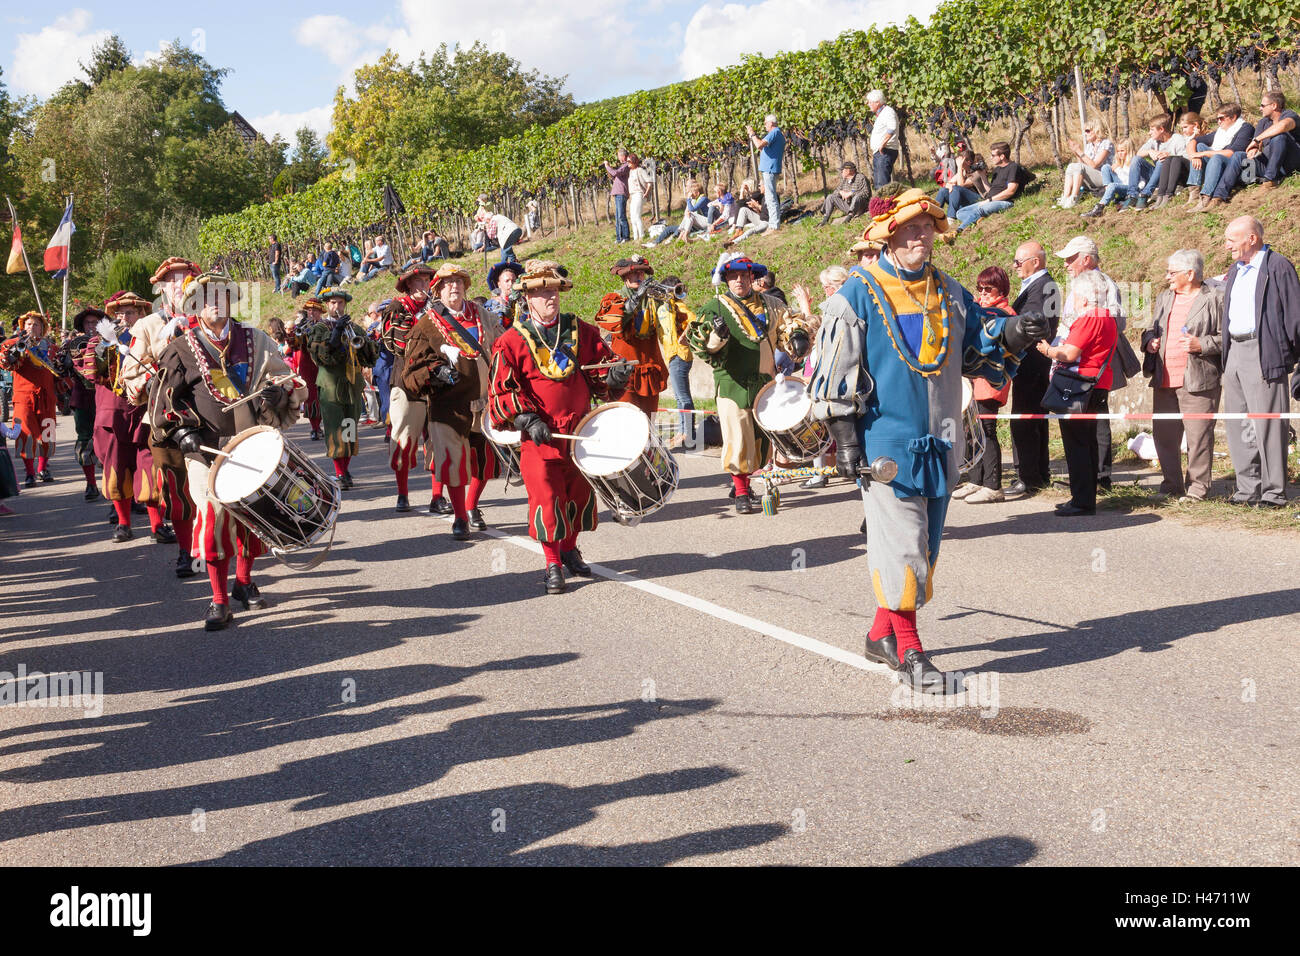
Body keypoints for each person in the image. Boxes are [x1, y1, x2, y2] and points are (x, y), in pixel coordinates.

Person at [808, 188, 1049, 691]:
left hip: (942, 439)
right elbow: (834, 371)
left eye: (927, 228)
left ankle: (880, 634)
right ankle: (911, 650)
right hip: (885, 444)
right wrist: (846, 439)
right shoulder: (854, 295)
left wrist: (1013, 334)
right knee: (901, 544)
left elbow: (978, 346)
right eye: (910, 229)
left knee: (925, 543)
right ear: (889, 236)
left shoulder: (951, 291)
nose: (921, 236)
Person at [151, 272, 306, 630]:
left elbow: (287, 380)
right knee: (213, 519)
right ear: (195, 305)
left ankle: (244, 581)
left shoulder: (257, 339)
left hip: (251, 443)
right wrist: (183, 431)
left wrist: (278, 394)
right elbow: (163, 402)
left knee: (252, 517)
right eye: (206, 297)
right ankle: (219, 600)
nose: (214, 302)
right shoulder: (180, 348)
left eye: (221, 295)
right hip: (205, 451)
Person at [487, 260, 631, 594]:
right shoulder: (510, 341)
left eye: (553, 290)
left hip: (581, 432)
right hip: (540, 435)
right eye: (541, 292)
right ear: (528, 298)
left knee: (578, 496)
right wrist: (526, 418)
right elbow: (501, 388)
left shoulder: (582, 330)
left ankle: (569, 548)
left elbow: (600, 378)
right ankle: (552, 563)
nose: (550, 297)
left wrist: (616, 377)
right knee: (547, 498)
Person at [688, 252, 811, 514]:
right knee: (738, 437)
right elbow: (701, 345)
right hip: (733, 385)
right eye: (733, 276)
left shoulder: (771, 304)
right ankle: (742, 493)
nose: (739, 281)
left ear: (753, 278)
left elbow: (787, 326)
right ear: (726, 279)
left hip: (765, 383)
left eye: (744, 276)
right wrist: (717, 336)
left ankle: (742, 483)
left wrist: (797, 336)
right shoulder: (714, 308)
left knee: (761, 441)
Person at [402, 263, 504, 537]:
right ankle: (460, 517)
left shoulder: (484, 316)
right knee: (453, 462)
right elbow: (410, 372)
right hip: (447, 407)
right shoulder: (427, 325)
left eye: (459, 281)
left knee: (485, 463)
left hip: (484, 402)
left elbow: (504, 347)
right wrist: (435, 372)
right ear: (437, 290)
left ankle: (472, 506)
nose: (454, 286)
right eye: (447, 283)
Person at [123, 256, 201, 578]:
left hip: (212, 419)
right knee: (180, 492)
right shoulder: (147, 325)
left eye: (184, 278)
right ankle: (186, 551)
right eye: (171, 280)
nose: (178, 285)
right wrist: (153, 376)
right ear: (161, 288)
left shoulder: (214, 318)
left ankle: (211, 546)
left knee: (213, 490)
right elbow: (129, 376)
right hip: (168, 419)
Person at [1219, 216, 1300, 507]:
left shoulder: (1278, 267)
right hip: (1235, 354)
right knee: (1237, 424)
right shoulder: (1235, 270)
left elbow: (1295, 316)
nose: (1226, 245)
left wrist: (1293, 358)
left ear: (1252, 238)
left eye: (1232, 239)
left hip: (1263, 352)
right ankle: (1246, 490)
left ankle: (1274, 492)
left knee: (1268, 426)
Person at [79, 292, 172, 543]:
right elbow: (90, 376)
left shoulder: (154, 338)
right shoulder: (100, 340)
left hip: (145, 412)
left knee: (149, 467)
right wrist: (103, 347)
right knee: (117, 468)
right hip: (113, 413)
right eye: (119, 313)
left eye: (130, 313)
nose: (124, 317)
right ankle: (123, 524)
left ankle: (157, 525)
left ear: (142, 315)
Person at [1141, 250, 1223, 502]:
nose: (1167, 277)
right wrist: (1149, 342)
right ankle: (1171, 485)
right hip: (1164, 377)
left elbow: (1227, 337)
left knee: (1199, 436)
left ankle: (1198, 488)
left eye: (1172, 272)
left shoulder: (1215, 298)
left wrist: (1202, 344)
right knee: (1164, 435)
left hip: (1198, 379)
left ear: (1190, 273)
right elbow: (1149, 329)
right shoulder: (1164, 297)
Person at [1037, 270, 1118, 517]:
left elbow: (1070, 353)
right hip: (1096, 383)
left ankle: (1082, 500)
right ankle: (1084, 496)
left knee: (1077, 445)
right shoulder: (1107, 317)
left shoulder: (1088, 319)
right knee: (1088, 443)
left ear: (1082, 298)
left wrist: (1048, 350)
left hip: (1079, 385)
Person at [1054, 235, 1128, 490]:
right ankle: (1083, 478)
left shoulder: (1104, 284)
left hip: (1091, 364)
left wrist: (1081, 343)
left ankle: (1099, 478)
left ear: (1086, 259)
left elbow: (1115, 323)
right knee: (1082, 421)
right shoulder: (1080, 282)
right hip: (1075, 361)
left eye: (1071, 259)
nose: (1066, 264)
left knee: (1097, 420)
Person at [952, 266, 1016, 503]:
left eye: (988, 288)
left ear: (1001, 288)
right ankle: (974, 479)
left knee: (987, 431)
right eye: (980, 288)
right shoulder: (982, 309)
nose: (983, 292)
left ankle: (992, 485)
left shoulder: (1004, 313)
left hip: (990, 379)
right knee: (971, 431)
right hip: (973, 381)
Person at [305, 288, 379, 488]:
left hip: (353, 385)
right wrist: (336, 332)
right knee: (335, 428)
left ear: (345, 305)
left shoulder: (354, 328)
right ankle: (340, 472)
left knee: (349, 428)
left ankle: (345, 471)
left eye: (340, 303)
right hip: (330, 385)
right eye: (333, 303)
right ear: (327, 305)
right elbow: (322, 356)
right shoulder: (318, 328)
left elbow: (370, 357)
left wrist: (364, 344)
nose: (336, 306)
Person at [1007, 241, 1061, 496]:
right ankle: (1037, 473)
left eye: (1019, 261)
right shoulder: (1037, 285)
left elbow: (1035, 324)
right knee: (1033, 419)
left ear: (1035, 262)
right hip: (1033, 360)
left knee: (1025, 420)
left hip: (1032, 360)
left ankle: (1028, 476)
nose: (1014, 266)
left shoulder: (1044, 286)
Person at [386, 263, 439, 513]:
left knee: (438, 440)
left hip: (437, 381)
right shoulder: (398, 307)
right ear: (408, 285)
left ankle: (438, 496)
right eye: (417, 282)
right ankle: (402, 493)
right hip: (406, 382)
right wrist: (425, 322)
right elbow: (397, 344)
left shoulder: (439, 307)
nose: (422, 286)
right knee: (404, 438)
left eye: (426, 281)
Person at [793, 265, 847, 489]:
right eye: (825, 287)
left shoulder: (843, 307)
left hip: (838, 379)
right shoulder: (833, 307)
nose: (826, 291)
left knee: (824, 428)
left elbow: (818, 331)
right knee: (819, 427)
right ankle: (820, 473)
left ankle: (825, 473)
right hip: (824, 378)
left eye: (829, 287)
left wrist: (805, 308)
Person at [594, 255, 669, 417]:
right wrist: (636, 298)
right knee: (626, 420)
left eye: (642, 274)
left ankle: (650, 443)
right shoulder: (614, 298)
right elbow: (613, 322)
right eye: (634, 274)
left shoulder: (654, 298)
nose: (638, 277)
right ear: (625, 277)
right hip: (624, 371)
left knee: (649, 420)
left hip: (649, 369)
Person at [1, 311, 59, 488]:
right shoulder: (13, 344)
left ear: (42, 329)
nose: (32, 327)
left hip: (47, 397)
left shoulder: (50, 347)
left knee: (48, 433)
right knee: (24, 435)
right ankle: (30, 473)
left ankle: (42, 468)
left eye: (36, 325)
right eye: (28, 324)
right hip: (23, 397)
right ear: (22, 327)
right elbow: (5, 363)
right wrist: (12, 352)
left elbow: (59, 371)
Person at [653, 274, 698, 449]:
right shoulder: (665, 308)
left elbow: (694, 320)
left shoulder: (678, 307)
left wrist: (684, 339)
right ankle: (683, 432)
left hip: (680, 355)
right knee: (680, 398)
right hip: (673, 355)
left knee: (683, 397)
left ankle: (688, 435)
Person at [64, 308, 102, 499]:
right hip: (82, 399)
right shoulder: (72, 344)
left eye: (95, 322)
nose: (92, 326)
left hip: (106, 398)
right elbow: (60, 370)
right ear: (82, 325)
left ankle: (120, 491)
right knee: (85, 439)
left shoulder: (111, 342)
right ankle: (91, 484)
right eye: (88, 323)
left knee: (111, 442)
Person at [952, 142, 1028, 231]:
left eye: (993, 155)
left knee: (983, 208)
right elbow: (990, 190)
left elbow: (1010, 191)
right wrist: (983, 176)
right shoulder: (997, 170)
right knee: (960, 213)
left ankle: (958, 231)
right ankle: (978, 218)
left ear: (1002, 156)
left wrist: (990, 200)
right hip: (990, 200)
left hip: (1005, 202)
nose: (991, 158)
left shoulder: (1013, 167)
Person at [1190, 104, 1254, 210]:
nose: (1218, 122)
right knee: (1200, 146)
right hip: (1219, 162)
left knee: (1216, 157)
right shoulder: (1221, 131)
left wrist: (1202, 154)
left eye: (1221, 118)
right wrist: (1194, 156)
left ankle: (1206, 196)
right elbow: (1193, 141)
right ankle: (1194, 191)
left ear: (1233, 117)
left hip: (1237, 166)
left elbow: (1231, 153)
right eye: (1217, 119)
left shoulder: (1245, 129)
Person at [1244, 91, 1300, 191]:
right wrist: (1253, 149)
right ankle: (1220, 194)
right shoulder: (1263, 122)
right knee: (1238, 156)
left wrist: (1257, 139)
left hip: (1291, 162)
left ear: (1274, 105)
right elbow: (1255, 146)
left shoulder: (1290, 115)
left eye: (1262, 105)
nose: (1260, 108)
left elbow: (1283, 126)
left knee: (1279, 136)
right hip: (1273, 164)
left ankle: (1270, 180)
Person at [1121, 115, 1176, 210]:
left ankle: (1145, 194)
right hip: (1157, 176)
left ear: (1161, 129)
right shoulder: (1153, 141)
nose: (1149, 133)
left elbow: (1185, 157)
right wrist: (1150, 151)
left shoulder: (1176, 139)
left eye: (1151, 130)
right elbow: (1139, 153)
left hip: (1170, 177)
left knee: (1161, 161)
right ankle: (1132, 195)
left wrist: (1168, 155)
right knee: (1136, 159)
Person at [1056, 123, 1114, 208]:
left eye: (1087, 131)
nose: (1085, 133)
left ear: (1097, 131)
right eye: (1084, 131)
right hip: (1093, 176)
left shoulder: (1106, 144)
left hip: (1105, 177)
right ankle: (1066, 197)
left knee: (1077, 166)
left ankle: (1074, 198)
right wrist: (1076, 153)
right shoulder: (1089, 146)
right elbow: (1081, 165)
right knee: (1071, 166)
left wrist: (1079, 151)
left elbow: (1095, 165)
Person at [746, 114, 785, 233]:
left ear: (771, 123)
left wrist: (752, 134)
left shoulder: (774, 132)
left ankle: (774, 226)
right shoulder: (777, 134)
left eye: (765, 123)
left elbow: (759, 145)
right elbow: (764, 149)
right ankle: (773, 224)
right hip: (770, 169)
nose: (764, 125)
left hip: (770, 169)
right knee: (769, 197)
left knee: (770, 198)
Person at [1081, 140, 1136, 217]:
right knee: (1106, 167)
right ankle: (1110, 196)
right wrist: (1118, 166)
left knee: (1112, 186)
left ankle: (1100, 207)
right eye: (1118, 151)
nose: (1120, 153)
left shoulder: (1133, 163)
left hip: (1129, 189)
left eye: (1122, 151)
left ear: (1129, 151)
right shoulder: (1120, 162)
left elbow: (1127, 181)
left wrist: (1118, 169)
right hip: (1120, 185)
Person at [647, 179, 710, 245]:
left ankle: (668, 240)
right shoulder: (695, 199)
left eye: (687, 186)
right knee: (670, 229)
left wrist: (688, 199)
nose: (685, 187)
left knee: (670, 229)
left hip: (695, 226)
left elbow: (691, 212)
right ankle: (661, 241)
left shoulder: (696, 199)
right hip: (691, 224)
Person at [934, 147, 987, 219]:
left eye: (960, 161)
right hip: (966, 201)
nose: (957, 163)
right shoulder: (964, 171)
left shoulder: (977, 173)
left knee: (956, 188)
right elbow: (947, 183)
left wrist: (959, 167)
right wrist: (950, 185)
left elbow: (961, 185)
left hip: (979, 201)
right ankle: (933, 214)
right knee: (943, 190)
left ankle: (951, 217)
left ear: (968, 162)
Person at [866, 90, 900, 187]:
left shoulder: (887, 112)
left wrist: (882, 145)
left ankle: (885, 202)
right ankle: (882, 202)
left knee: (882, 185)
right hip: (881, 152)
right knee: (878, 184)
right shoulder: (882, 113)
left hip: (885, 151)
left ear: (877, 102)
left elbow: (892, 127)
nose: (868, 104)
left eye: (870, 102)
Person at [726, 179, 769, 244]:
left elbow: (740, 203)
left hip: (767, 222)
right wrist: (756, 208)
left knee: (751, 231)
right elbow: (763, 213)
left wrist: (742, 191)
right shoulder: (762, 197)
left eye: (760, 185)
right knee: (743, 209)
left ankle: (734, 242)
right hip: (761, 219)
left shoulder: (760, 195)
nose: (759, 187)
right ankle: (738, 231)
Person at [603, 147, 631, 244]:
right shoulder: (623, 166)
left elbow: (615, 172)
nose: (618, 158)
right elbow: (615, 175)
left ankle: (626, 237)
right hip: (618, 193)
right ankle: (619, 238)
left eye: (619, 156)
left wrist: (607, 166)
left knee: (621, 216)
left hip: (621, 193)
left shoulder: (626, 165)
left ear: (623, 156)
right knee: (618, 216)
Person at [486, 260, 525, 328]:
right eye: (507, 281)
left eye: (514, 280)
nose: (511, 284)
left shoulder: (524, 300)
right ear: (499, 284)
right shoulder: (492, 305)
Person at [627, 155, 653, 241]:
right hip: (633, 195)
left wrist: (646, 193)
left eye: (629, 161)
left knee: (637, 215)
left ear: (634, 162)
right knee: (632, 217)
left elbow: (649, 182)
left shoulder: (640, 170)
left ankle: (641, 236)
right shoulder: (630, 171)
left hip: (639, 194)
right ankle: (635, 237)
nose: (628, 163)